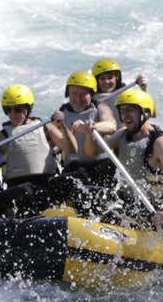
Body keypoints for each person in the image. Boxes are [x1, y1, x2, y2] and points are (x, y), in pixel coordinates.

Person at [0, 83, 70, 217]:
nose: (12, 114)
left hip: (44, 183)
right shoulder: (4, 136)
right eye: (8, 110)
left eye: (17, 109)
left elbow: (69, 148)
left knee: (69, 181)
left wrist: (62, 125)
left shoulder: (45, 126)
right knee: (24, 192)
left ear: (28, 108)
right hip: (18, 189)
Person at [101, 87, 163, 227]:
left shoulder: (159, 143)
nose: (125, 115)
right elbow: (94, 151)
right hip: (127, 201)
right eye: (122, 110)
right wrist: (89, 131)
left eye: (130, 110)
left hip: (152, 208)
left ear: (144, 112)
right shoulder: (123, 134)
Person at [48, 69, 118, 209]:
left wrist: (92, 126)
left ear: (91, 94)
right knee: (58, 183)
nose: (78, 99)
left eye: (83, 94)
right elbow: (57, 143)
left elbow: (111, 125)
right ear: (68, 93)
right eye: (74, 93)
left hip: (100, 165)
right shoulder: (60, 114)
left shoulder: (99, 107)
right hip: (75, 167)